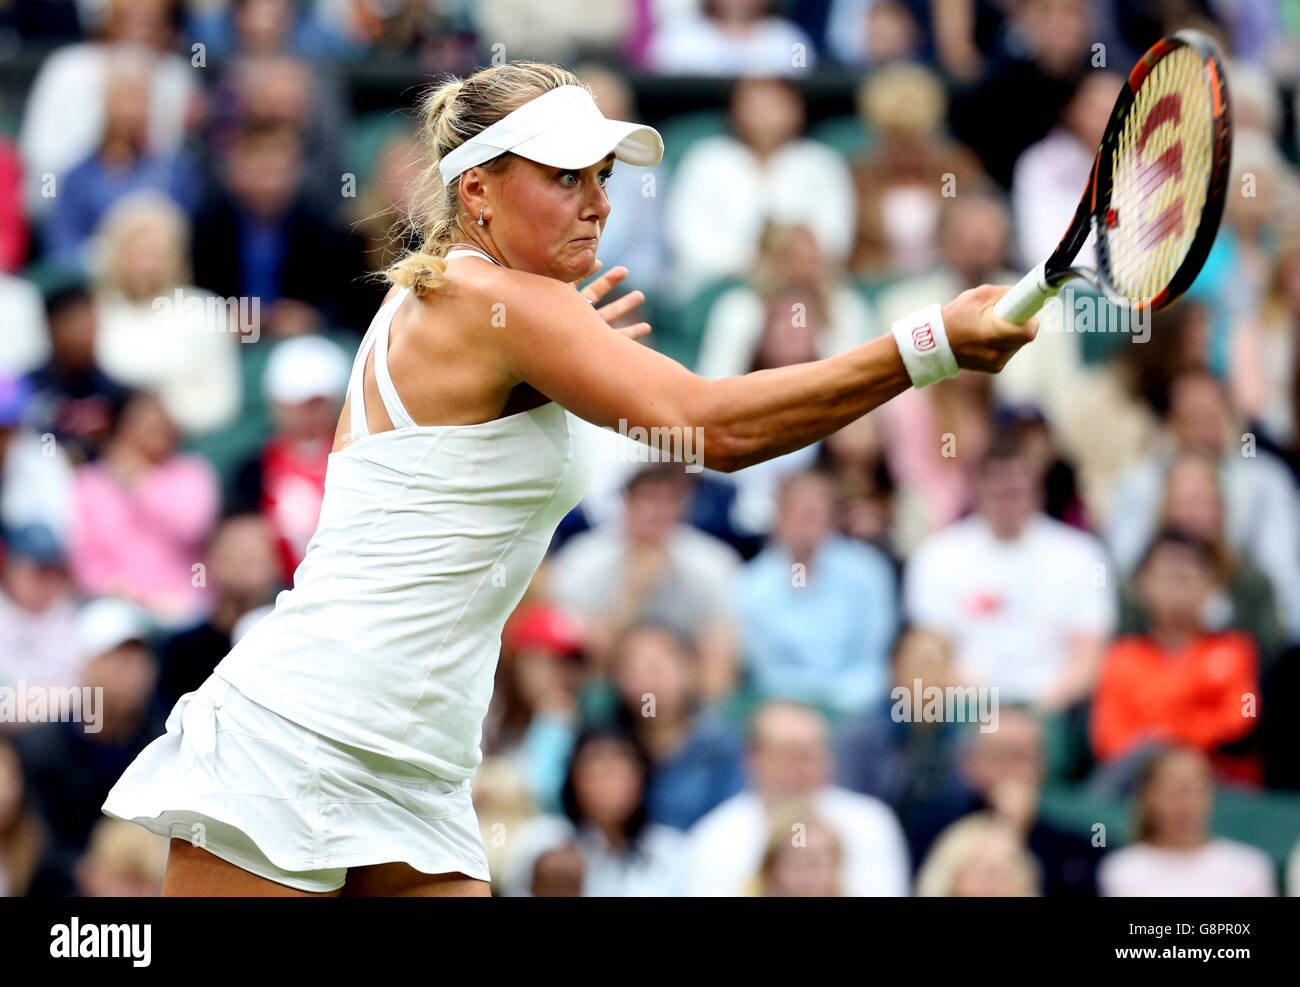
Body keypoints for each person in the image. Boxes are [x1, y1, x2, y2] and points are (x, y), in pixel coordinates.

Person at [102, 60, 1037, 898]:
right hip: (302, 736)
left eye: (602, 176)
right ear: (478, 191)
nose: (596, 200)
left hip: (417, 763)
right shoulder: (485, 301)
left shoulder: (480, 300)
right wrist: (929, 344)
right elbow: (712, 428)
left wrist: (557, 342)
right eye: (564, 177)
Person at [1097, 747, 1276, 897]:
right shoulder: (1122, 869)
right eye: (1174, 792)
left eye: (1195, 789)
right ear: (1148, 798)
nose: (1185, 804)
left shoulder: (1250, 866)